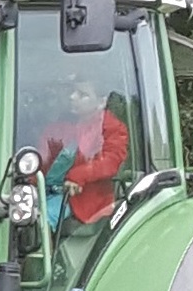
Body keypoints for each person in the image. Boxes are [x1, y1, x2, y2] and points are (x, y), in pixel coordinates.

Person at [41, 71, 129, 230]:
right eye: (73, 92)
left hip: (81, 198)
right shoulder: (60, 125)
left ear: (102, 101)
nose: (73, 97)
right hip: (42, 190)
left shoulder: (112, 128)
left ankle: (43, 253)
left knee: (41, 219)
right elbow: (42, 159)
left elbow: (111, 162)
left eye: (82, 95)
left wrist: (79, 175)